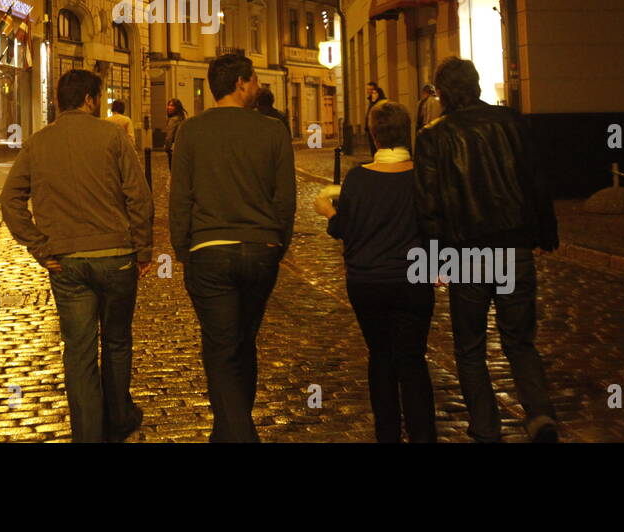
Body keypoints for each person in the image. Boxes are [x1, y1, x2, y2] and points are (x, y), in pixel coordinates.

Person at [414, 56, 560, 443]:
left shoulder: (434, 136)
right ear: (476, 85)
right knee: (520, 341)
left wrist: (433, 262)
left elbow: (428, 205)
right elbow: (536, 181)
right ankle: (540, 413)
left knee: (470, 347)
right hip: (513, 247)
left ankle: (485, 427)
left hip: (468, 255)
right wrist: (545, 233)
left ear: (442, 93)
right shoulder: (512, 122)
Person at [3, 69, 154, 443]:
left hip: (67, 261)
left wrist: (39, 246)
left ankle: (88, 432)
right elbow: (139, 196)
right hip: (117, 255)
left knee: (79, 348)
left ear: (59, 101)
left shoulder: (38, 143)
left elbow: (11, 201)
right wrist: (142, 249)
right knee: (117, 340)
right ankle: (119, 417)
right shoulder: (113, 137)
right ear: (90, 99)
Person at [169, 53, 296, 442]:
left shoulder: (191, 131)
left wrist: (182, 250)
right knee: (243, 341)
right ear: (241, 83)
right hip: (261, 250)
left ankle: (237, 433)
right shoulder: (273, 131)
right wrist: (278, 243)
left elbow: (180, 198)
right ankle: (229, 431)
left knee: (222, 348)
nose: (258, 85)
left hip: (209, 249)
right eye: (255, 79)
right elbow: (285, 199)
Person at [317, 100, 436, 442]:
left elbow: (344, 230)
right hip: (413, 281)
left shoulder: (357, 179)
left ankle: (387, 434)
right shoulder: (422, 178)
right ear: (407, 132)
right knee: (412, 361)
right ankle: (423, 434)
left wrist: (328, 211)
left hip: (367, 281)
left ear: (373, 134)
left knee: (381, 357)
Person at [163, 98, 186, 168]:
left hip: (173, 148)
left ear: (177, 108)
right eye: (169, 105)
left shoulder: (173, 120)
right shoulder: (181, 118)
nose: (169, 107)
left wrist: (167, 148)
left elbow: (169, 136)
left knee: (172, 169)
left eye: (172, 106)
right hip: (181, 148)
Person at [364, 81, 384, 153]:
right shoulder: (371, 101)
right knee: (372, 148)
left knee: (376, 148)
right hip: (371, 129)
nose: (368, 92)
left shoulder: (380, 102)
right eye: (367, 89)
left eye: (370, 90)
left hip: (376, 128)